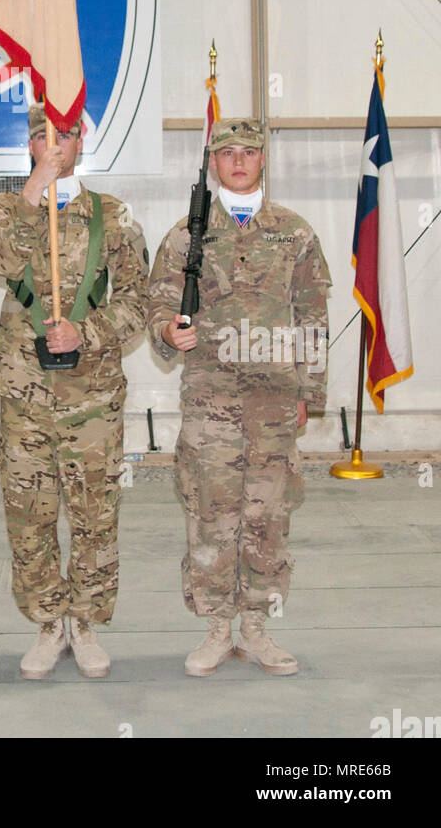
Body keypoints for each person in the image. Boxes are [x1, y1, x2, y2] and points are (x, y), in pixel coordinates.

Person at [148, 117, 330, 677]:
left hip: (275, 400)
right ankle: (216, 628)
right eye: (227, 153)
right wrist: (166, 331)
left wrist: (311, 391)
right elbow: (157, 302)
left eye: (249, 152)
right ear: (214, 163)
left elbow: (313, 316)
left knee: (268, 515)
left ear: (263, 159)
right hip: (211, 399)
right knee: (210, 512)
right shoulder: (187, 234)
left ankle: (256, 629)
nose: (239, 161)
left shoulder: (294, 233)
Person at [0, 103, 149, 679]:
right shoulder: (6, 208)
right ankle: (49, 619)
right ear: (29, 146)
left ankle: (87, 620)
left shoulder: (113, 216)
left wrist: (89, 330)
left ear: (81, 141)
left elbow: (136, 303)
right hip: (25, 390)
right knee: (29, 511)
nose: (54, 145)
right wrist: (35, 189)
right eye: (42, 137)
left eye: (65, 135)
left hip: (91, 394)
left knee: (94, 512)